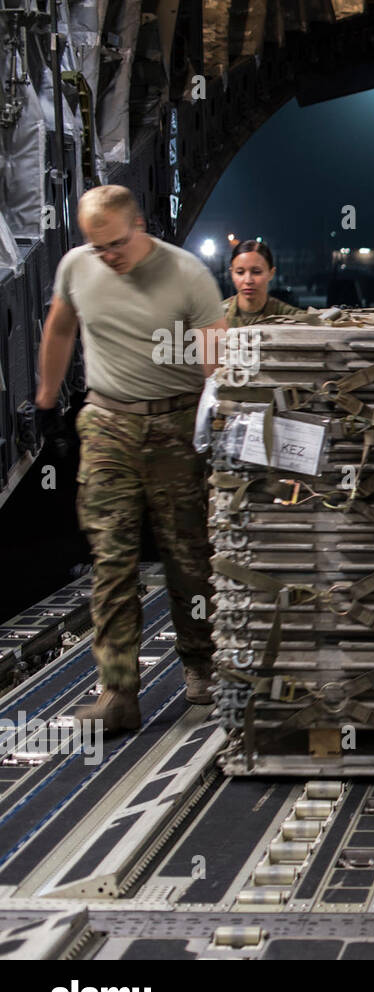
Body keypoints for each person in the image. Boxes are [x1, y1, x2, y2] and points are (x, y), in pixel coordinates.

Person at [35, 185, 227, 733]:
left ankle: (203, 664)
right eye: (98, 248)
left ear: (138, 224)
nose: (108, 257)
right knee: (111, 561)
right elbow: (60, 326)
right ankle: (118, 692)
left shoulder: (187, 274)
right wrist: (47, 401)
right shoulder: (78, 266)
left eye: (116, 244)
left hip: (174, 424)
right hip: (107, 423)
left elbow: (216, 357)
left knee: (188, 552)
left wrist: (215, 423)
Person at [223, 239, 309, 326]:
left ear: (271, 273)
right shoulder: (215, 317)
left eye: (256, 272)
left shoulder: (291, 318)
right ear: (232, 273)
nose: (248, 280)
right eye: (240, 272)